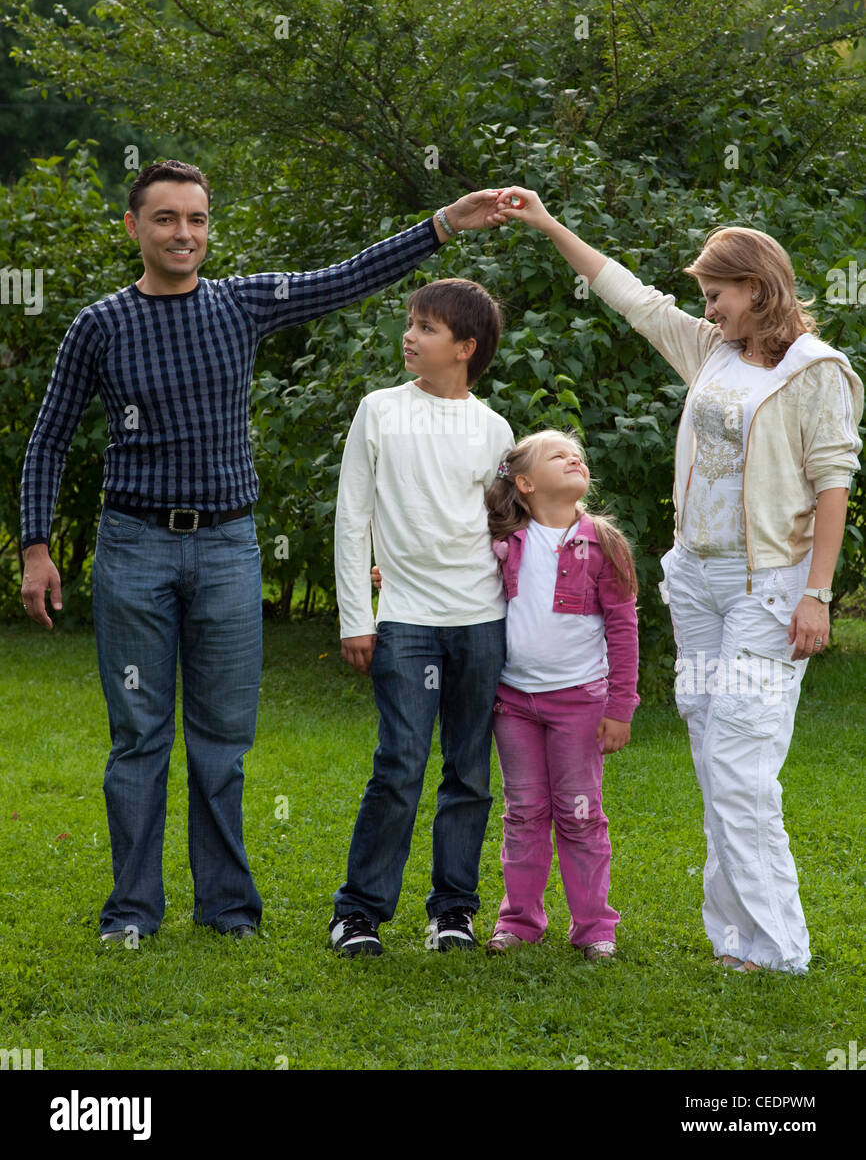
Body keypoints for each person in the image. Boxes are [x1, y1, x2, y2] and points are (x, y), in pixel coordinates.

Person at [19, 159, 510, 942]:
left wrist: (444, 222)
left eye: (198, 219)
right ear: (134, 228)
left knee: (222, 742)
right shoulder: (99, 324)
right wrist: (37, 547)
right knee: (139, 738)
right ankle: (132, 912)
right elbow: (47, 439)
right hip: (133, 547)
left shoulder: (240, 305)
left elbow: (347, 277)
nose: (184, 233)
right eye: (167, 219)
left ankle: (227, 911)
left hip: (226, 549)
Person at [496, 186, 863, 974]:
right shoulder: (711, 352)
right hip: (696, 583)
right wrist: (546, 220)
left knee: (740, 758)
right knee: (710, 749)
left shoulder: (816, 371)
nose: (708, 307)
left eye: (717, 293)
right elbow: (628, 294)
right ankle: (736, 940)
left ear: (758, 288)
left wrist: (818, 592)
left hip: (769, 587)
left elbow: (834, 483)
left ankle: (776, 948)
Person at [330, 277, 514, 956]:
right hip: (404, 620)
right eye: (411, 322)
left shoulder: (495, 428)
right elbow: (354, 518)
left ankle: (454, 911)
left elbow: (505, 528)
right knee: (400, 761)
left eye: (428, 328)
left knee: (469, 770)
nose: (410, 335)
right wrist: (359, 614)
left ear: (465, 347)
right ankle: (359, 913)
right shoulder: (378, 410)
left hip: (481, 621)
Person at [482, 429, 639, 959]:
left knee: (579, 813)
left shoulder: (604, 542)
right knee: (523, 811)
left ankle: (595, 927)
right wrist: (394, 576)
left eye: (578, 454)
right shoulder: (504, 542)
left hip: (580, 704)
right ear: (524, 483)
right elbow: (454, 579)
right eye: (557, 454)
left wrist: (621, 708)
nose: (574, 457)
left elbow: (623, 630)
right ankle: (519, 921)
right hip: (514, 703)